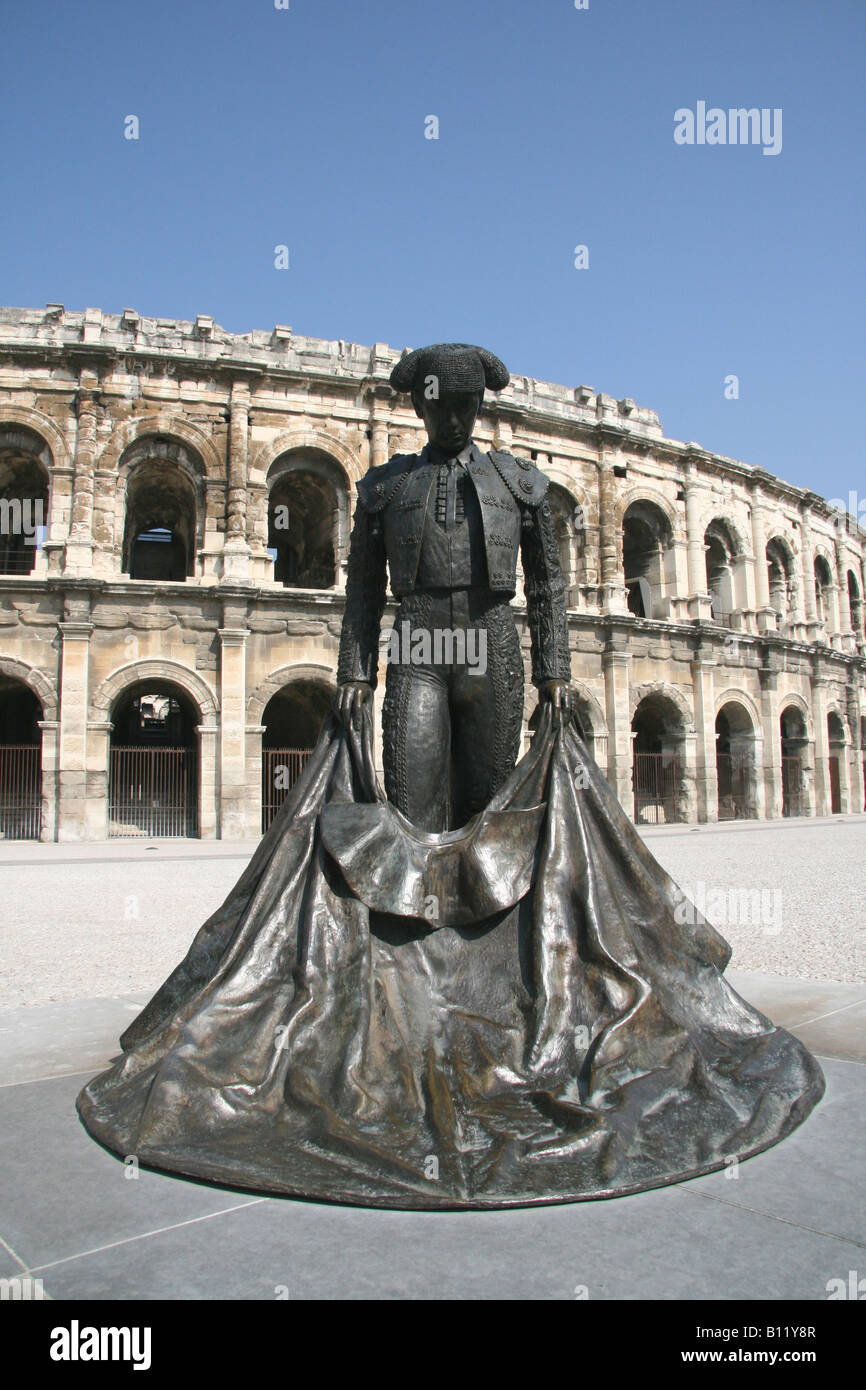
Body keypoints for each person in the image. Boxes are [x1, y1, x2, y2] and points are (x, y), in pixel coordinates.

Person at [336, 342, 571, 830]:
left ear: (479, 405)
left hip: (490, 640)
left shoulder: (519, 482)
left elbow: (547, 583)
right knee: (412, 803)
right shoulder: (385, 485)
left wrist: (553, 669)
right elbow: (363, 588)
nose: (452, 420)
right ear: (418, 406)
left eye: (464, 406)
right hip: (418, 644)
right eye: (439, 406)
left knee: (486, 810)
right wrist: (356, 673)